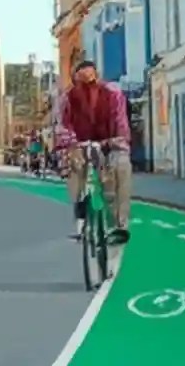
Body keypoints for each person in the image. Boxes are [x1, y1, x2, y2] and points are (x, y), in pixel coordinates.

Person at [56, 60, 132, 242]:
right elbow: (63, 125)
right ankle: (81, 212)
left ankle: (118, 225)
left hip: (110, 143)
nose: (87, 84)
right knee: (75, 167)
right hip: (80, 143)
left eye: (90, 79)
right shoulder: (68, 99)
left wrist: (117, 140)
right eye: (81, 80)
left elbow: (120, 122)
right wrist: (71, 143)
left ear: (97, 77)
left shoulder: (112, 94)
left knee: (120, 168)